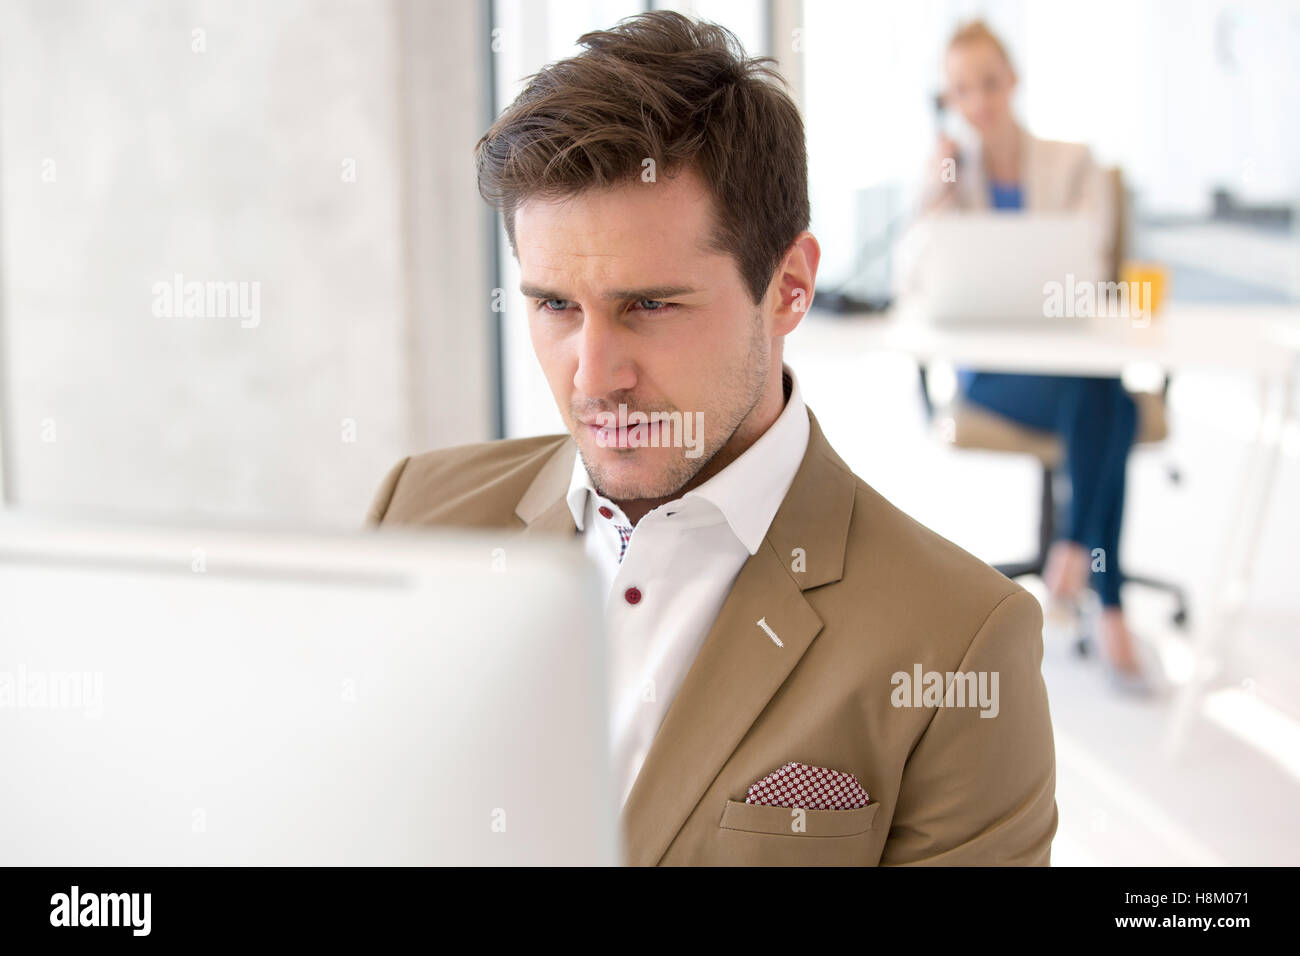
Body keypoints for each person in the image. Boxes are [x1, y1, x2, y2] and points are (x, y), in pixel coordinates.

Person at [368, 11, 1057, 865]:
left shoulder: (959, 643)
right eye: (554, 306)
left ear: (790, 287)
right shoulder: (417, 516)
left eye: (648, 305)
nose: (593, 377)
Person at [918, 20, 1148, 691]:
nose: (978, 101)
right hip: (992, 374)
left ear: (1012, 82)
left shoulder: (1072, 162)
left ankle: (1078, 555)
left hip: (1069, 363)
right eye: (961, 89)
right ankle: (1101, 589)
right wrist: (939, 189)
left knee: (1101, 391)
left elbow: (1094, 257)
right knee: (1114, 403)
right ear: (948, 99)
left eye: (989, 83)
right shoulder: (949, 175)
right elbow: (917, 279)